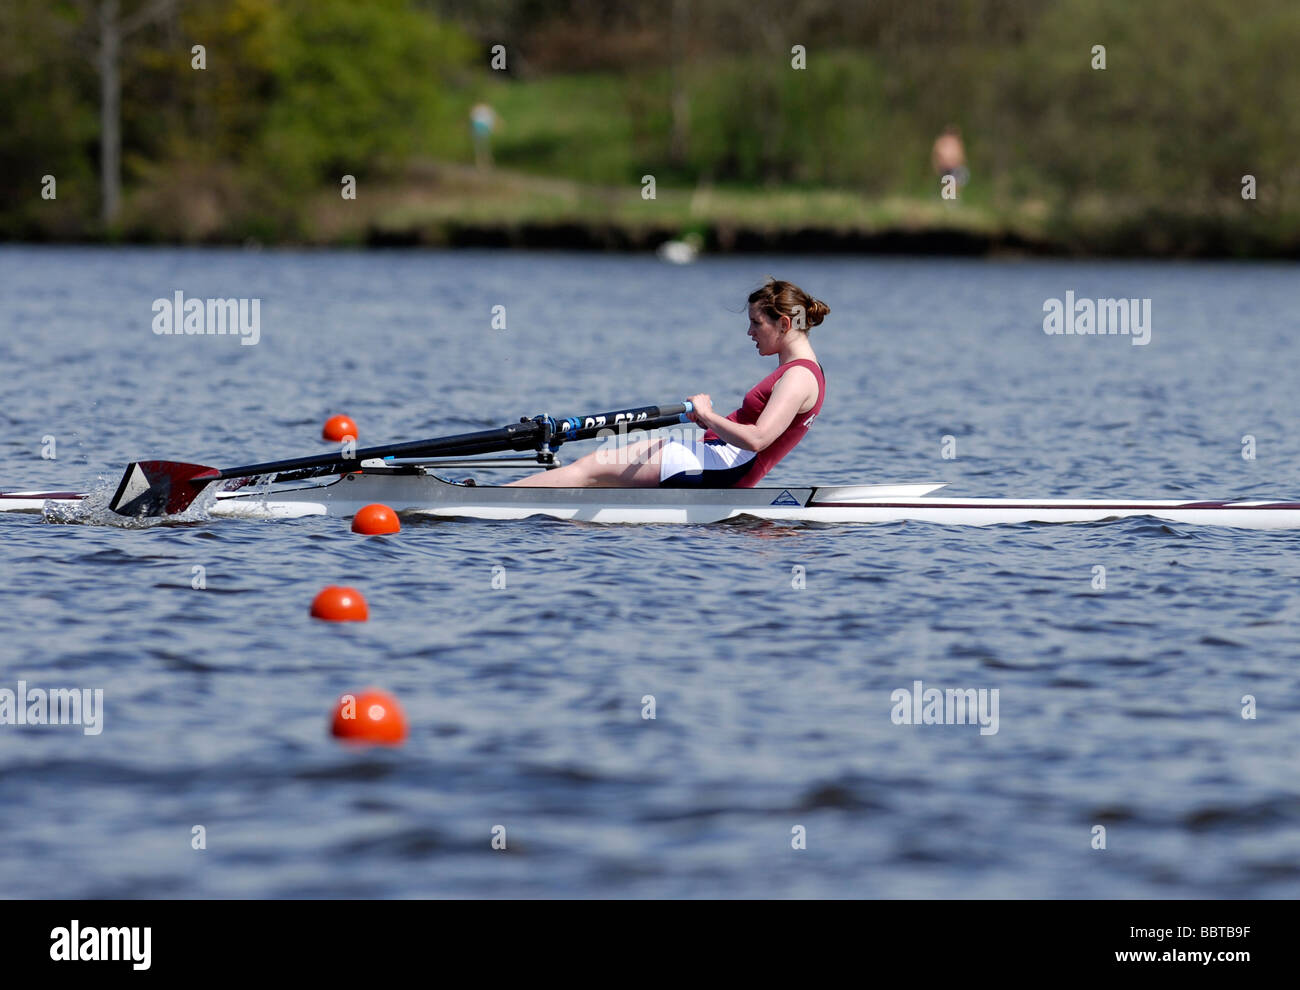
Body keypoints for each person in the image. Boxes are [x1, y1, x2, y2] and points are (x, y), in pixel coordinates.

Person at [505, 279, 827, 488]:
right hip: (716, 459)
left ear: (784, 324)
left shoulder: (798, 377)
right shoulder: (803, 372)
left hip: (722, 466)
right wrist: (707, 421)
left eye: (756, 323)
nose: (749, 333)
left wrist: (709, 415)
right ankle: (504, 496)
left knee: (591, 468)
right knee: (594, 471)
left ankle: (493, 500)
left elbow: (758, 439)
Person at [931, 125, 969, 196]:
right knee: (949, 181)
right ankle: (948, 197)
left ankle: (952, 197)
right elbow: (937, 155)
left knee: (959, 179)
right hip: (944, 167)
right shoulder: (941, 142)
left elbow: (961, 156)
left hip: (956, 167)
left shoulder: (957, 142)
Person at [470, 102, 498, 169]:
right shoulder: (485, 109)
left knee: (483, 147)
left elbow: (472, 117)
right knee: (482, 147)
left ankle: (483, 163)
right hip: (480, 128)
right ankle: (482, 163)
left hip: (481, 128)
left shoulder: (481, 109)